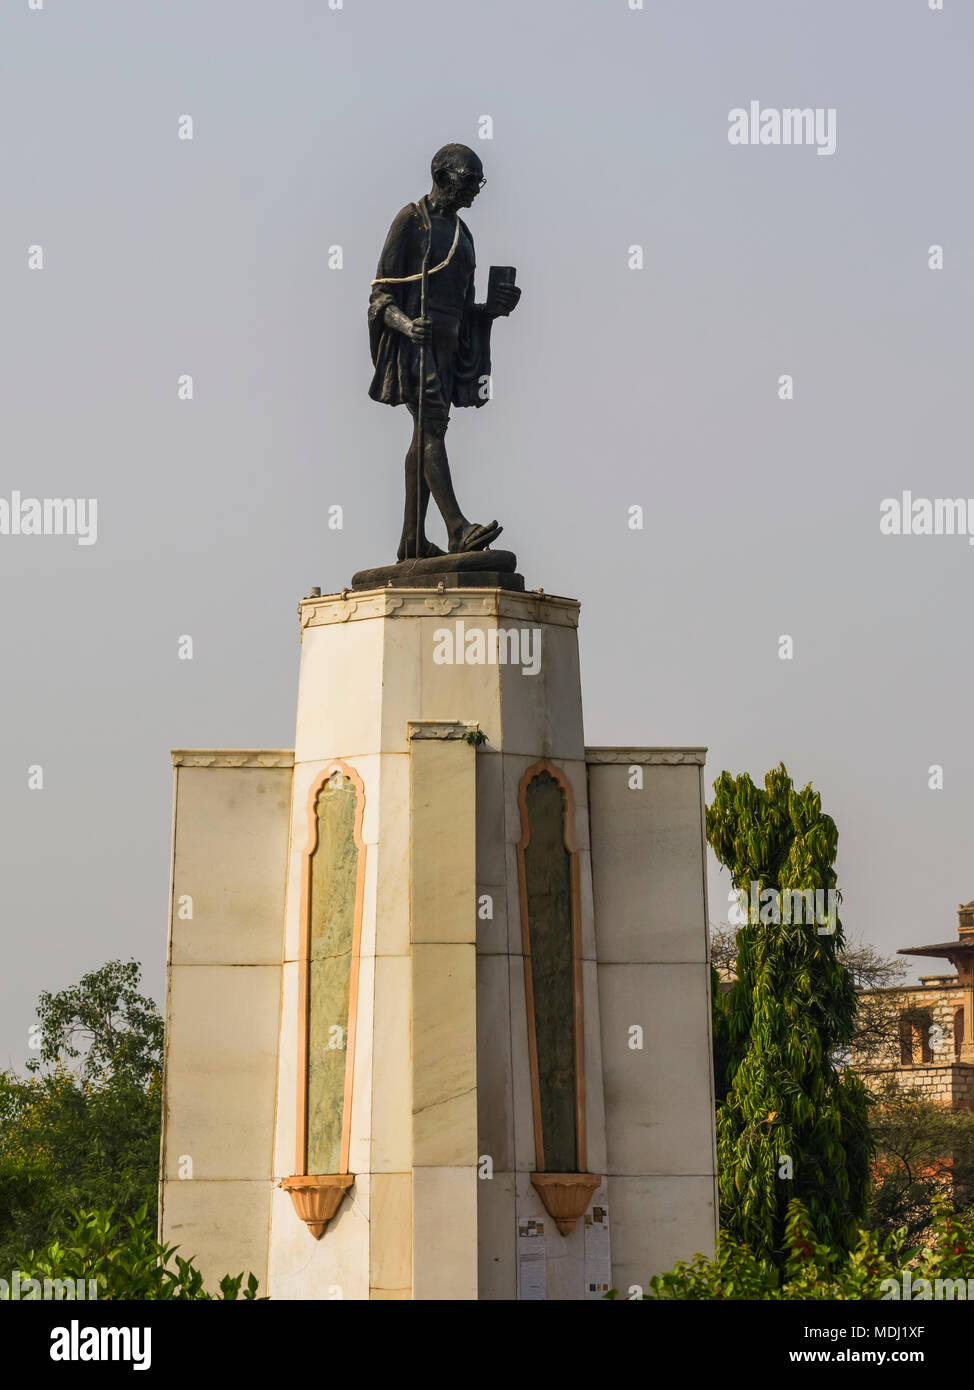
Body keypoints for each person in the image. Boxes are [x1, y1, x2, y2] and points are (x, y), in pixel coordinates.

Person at [368, 143, 521, 560]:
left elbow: (463, 305)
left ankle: (412, 541)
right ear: (441, 176)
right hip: (417, 344)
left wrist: (491, 310)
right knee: (431, 427)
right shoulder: (411, 221)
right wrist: (407, 325)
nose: (476, 189)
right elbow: (381, 297)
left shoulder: (463, 234)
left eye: (479, 181)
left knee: (425, 434)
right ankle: (456, 528)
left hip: (450, 345)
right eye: (468, 180)